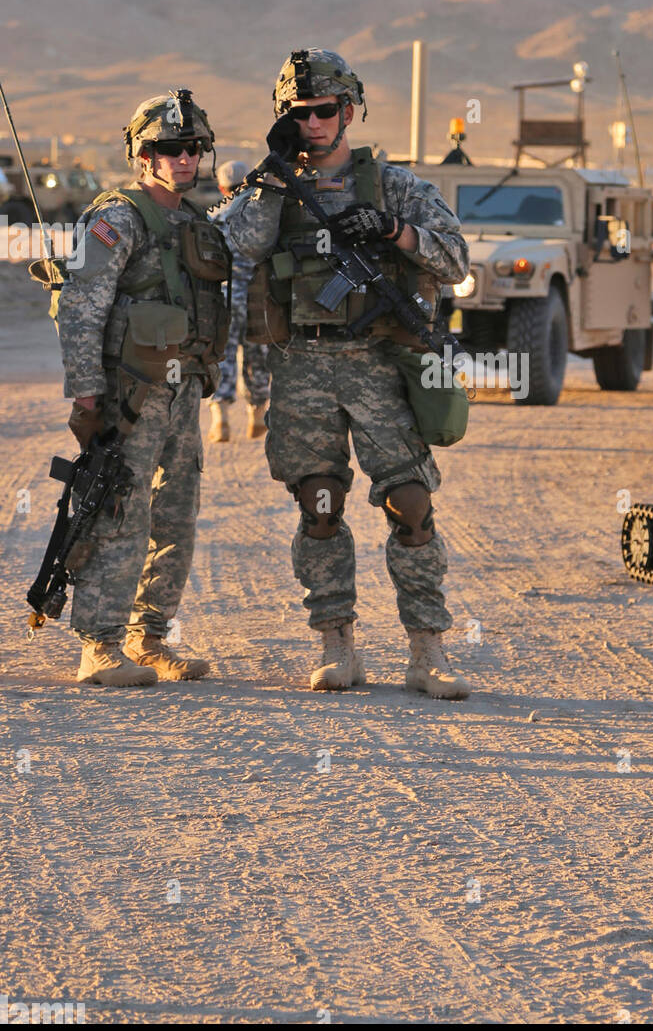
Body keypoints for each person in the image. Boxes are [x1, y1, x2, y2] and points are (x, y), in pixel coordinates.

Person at [226, 49, 472, 699]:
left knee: (410, 506)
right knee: (320, 507)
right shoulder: (270, 188)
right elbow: (230, 248)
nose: (312, 123)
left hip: (378, 363)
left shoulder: (394, 184)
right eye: (298, 114)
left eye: (325, 110)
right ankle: (337, 642)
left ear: (351, 112)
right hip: (302, 364)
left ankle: (427, 651)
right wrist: (271, 179)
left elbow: (455, 259)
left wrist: (394, 231)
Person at [55, 89, 229, 686]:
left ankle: (151, 636)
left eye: (193, 149)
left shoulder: (195, 222)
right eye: (168, 149)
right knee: (120, 511)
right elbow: (80, 307)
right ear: (141, 154)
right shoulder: (117, 218)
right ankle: (98, 644)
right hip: (128, 396)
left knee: (176, 516)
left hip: (180, 395)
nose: (184, 159)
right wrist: (85, 394)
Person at [207, 160, 271, 442]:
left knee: (223, 355)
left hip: (224, 299)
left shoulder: (214, 218)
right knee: (257, 358)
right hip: (258, 299)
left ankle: (220, 418)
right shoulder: (261, 217)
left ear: (221, 187)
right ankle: (257, 416)